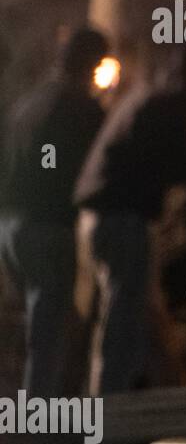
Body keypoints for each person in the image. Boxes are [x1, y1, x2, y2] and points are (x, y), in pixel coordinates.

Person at [75, 43, 186, 395]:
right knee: (124, 322)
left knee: (138, 318)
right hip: (125, 218)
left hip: (101, 214)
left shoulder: (147, 96)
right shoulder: (174, 103)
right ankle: (108, 418)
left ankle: (155, 408)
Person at [0, 28, 106, 395]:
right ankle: (39, 411)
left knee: (35, 320)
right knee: (48, 325)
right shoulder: (79, 105)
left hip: (11, 224)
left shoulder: (30, 100)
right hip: (47, 224)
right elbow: (93, 167)